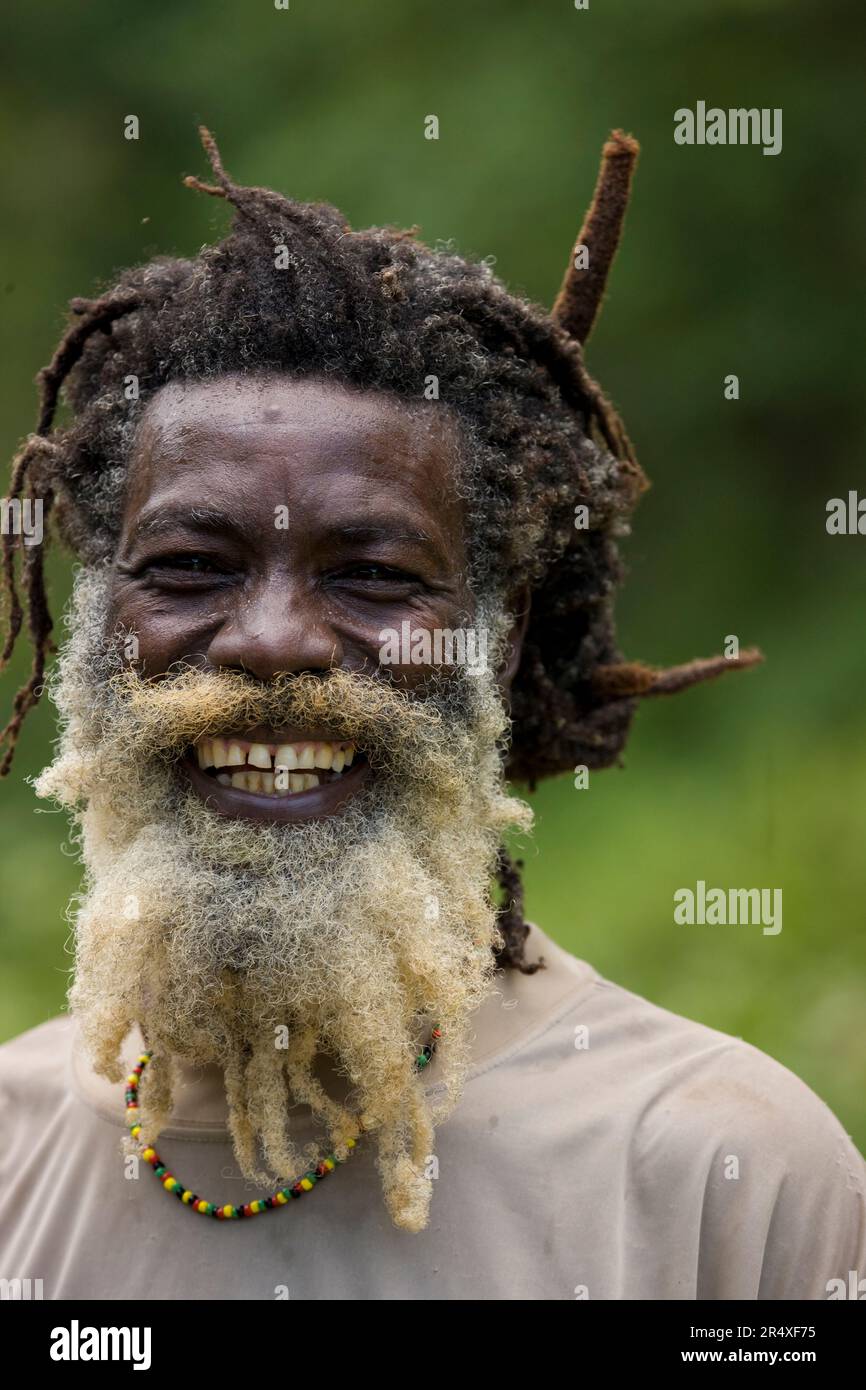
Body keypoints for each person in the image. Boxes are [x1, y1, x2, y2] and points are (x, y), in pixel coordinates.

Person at [0, 128, 863, 1301]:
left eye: (373, 575)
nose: (272, 642)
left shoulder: (720, 1167)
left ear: (494, 643)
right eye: (192, 565)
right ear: (99, 621)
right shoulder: (11, 1150)